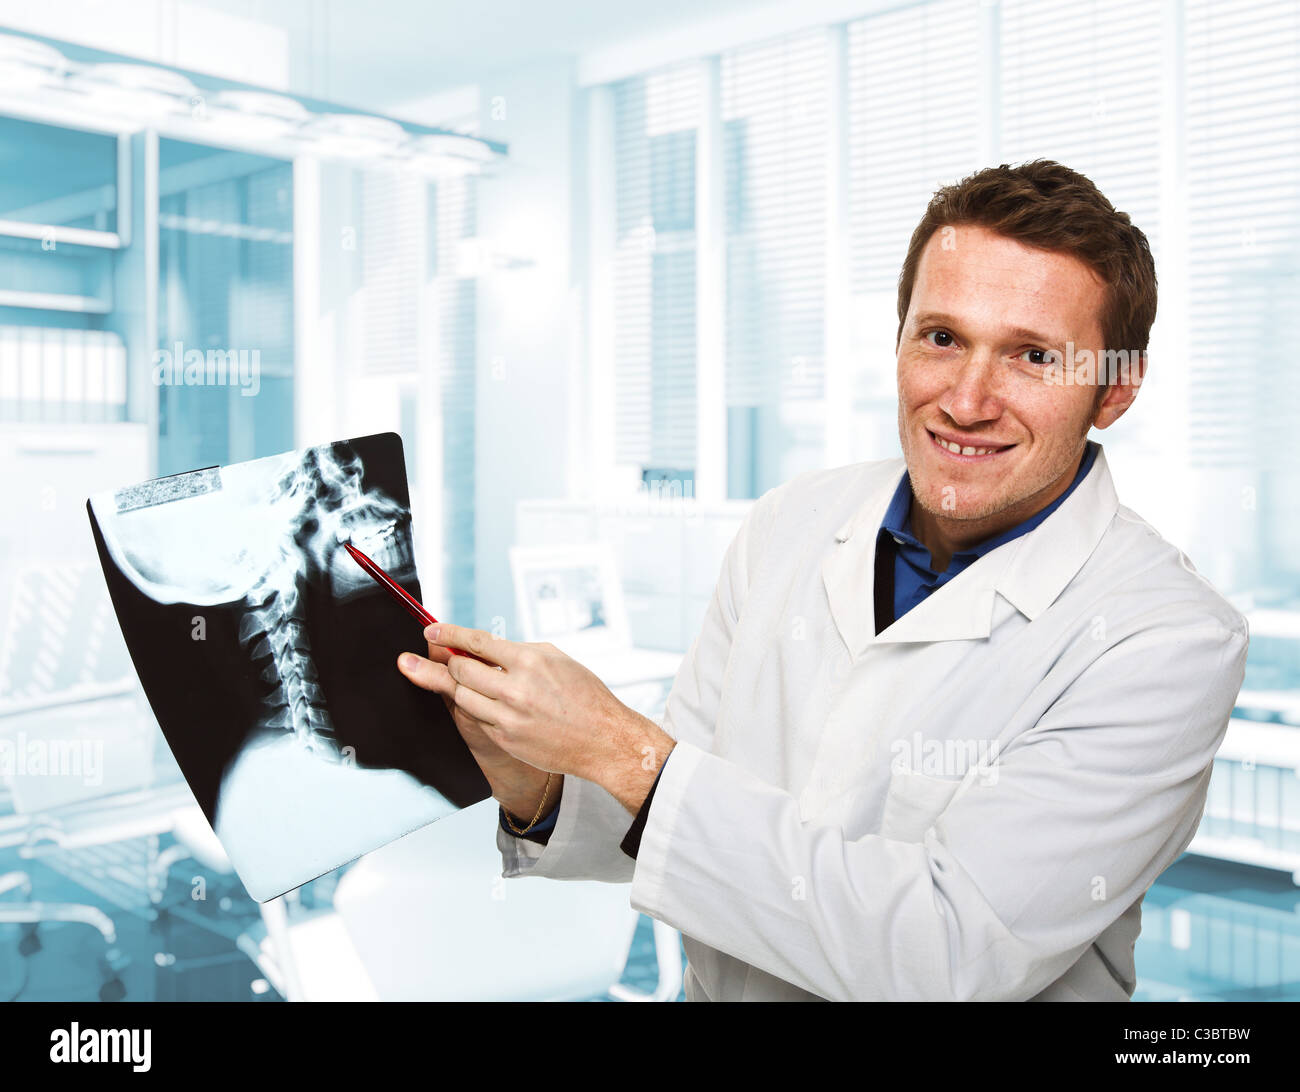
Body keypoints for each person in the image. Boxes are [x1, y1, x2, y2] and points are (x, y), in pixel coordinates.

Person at [397, 160, 1248, 1001]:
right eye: (942, 337)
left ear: (1115, 391)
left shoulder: (1165, 639)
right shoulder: (790, 524)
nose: (967, 399)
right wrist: (536, 779)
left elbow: (947, 957)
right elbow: (669, 810)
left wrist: (618, 745)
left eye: (1032, 357)